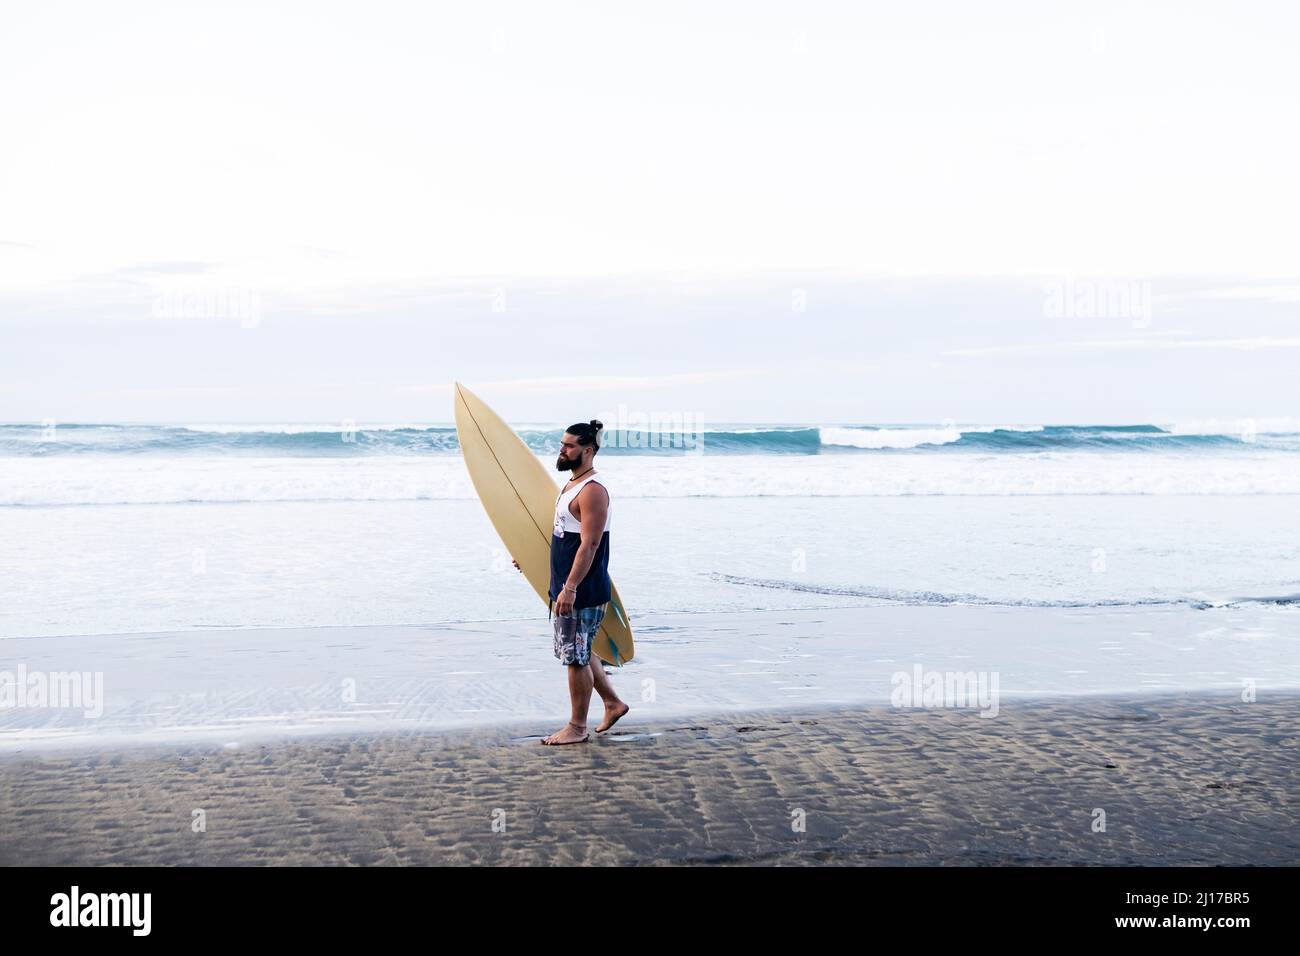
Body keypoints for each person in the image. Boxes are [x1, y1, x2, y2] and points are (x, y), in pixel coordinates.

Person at [513, 419, 629, 744]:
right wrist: (533, 562)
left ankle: (577, 728)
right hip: (570, 587)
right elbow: (564, 538)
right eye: (562, 444)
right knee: (582, 649)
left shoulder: (593, 491)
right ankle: (613, 702)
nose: (561, 450)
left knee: (575, 659)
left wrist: (570, 587)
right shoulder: (571, 485)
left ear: (587, 450)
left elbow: (590, 545)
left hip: (583, 591)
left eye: (569, 446)